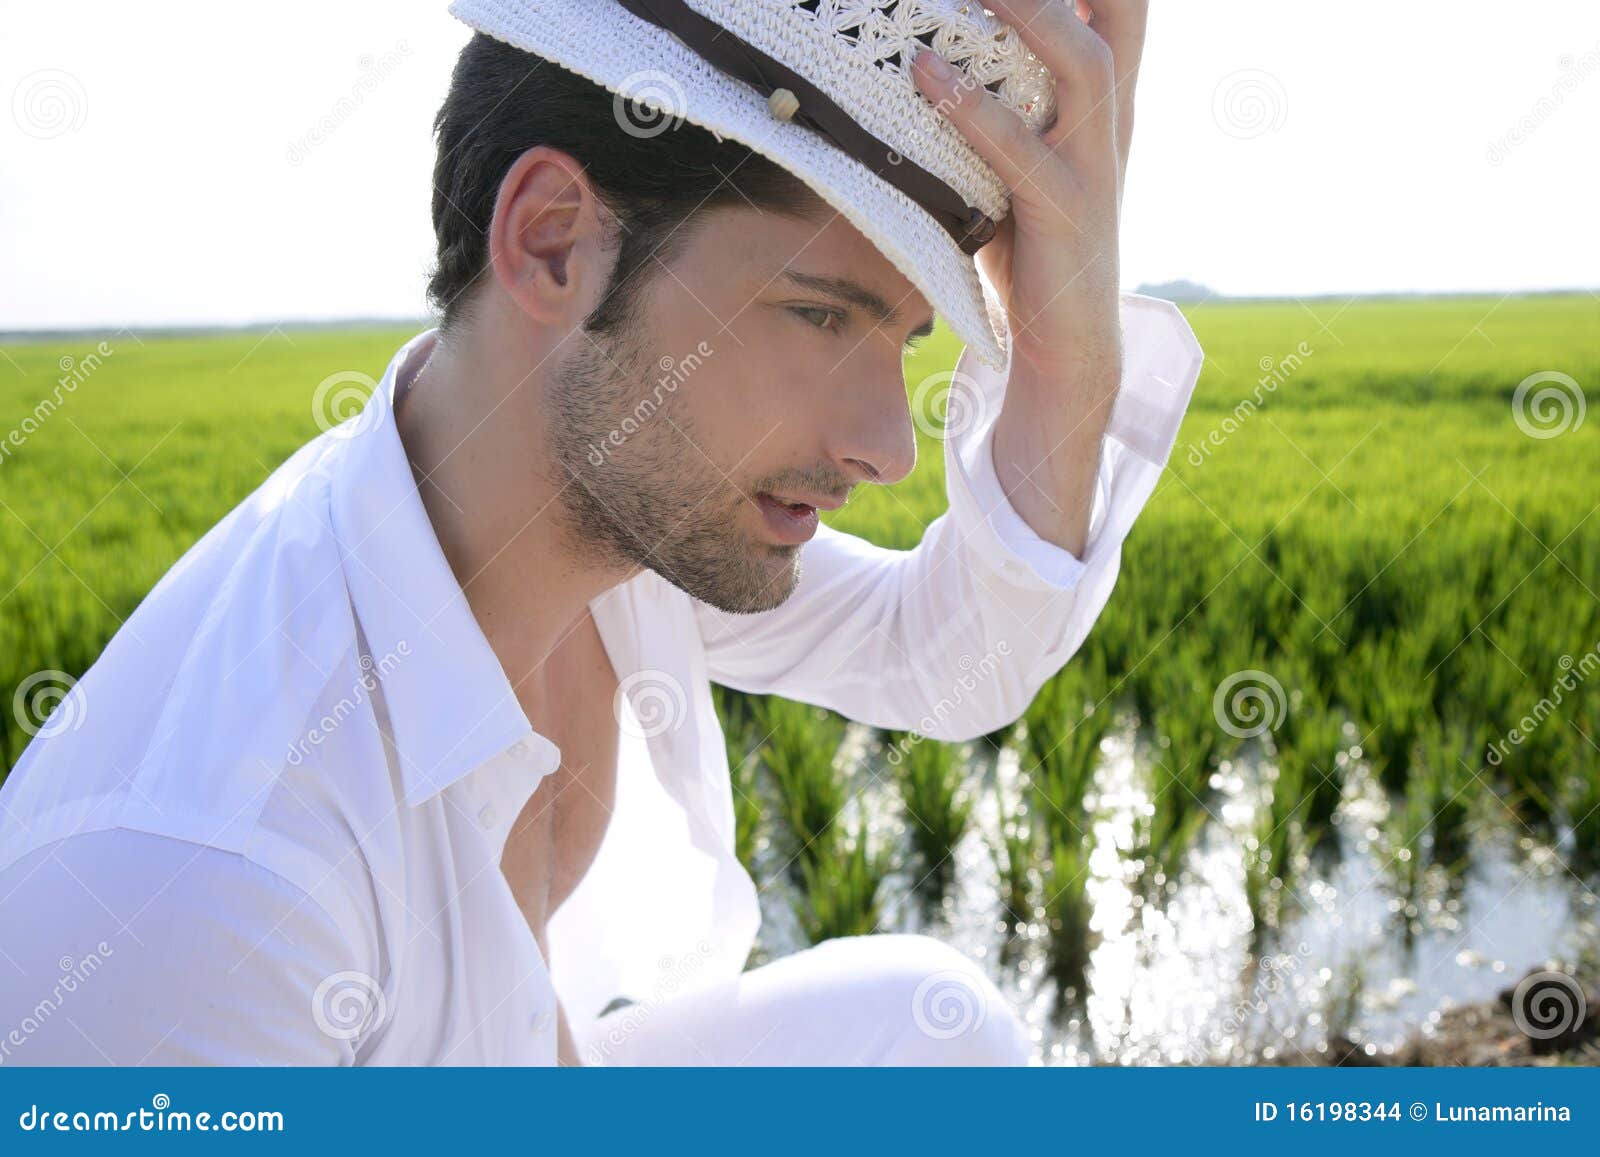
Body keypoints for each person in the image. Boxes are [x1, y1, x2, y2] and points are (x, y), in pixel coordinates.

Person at [0, 0, 1201, 1065]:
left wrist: (1064, 347)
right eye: (817, 312)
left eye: (900, 340)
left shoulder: (604, 516)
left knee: (929, 1024)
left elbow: (955, 658)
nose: (888, 446)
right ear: (552, 240)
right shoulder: (203, 884)